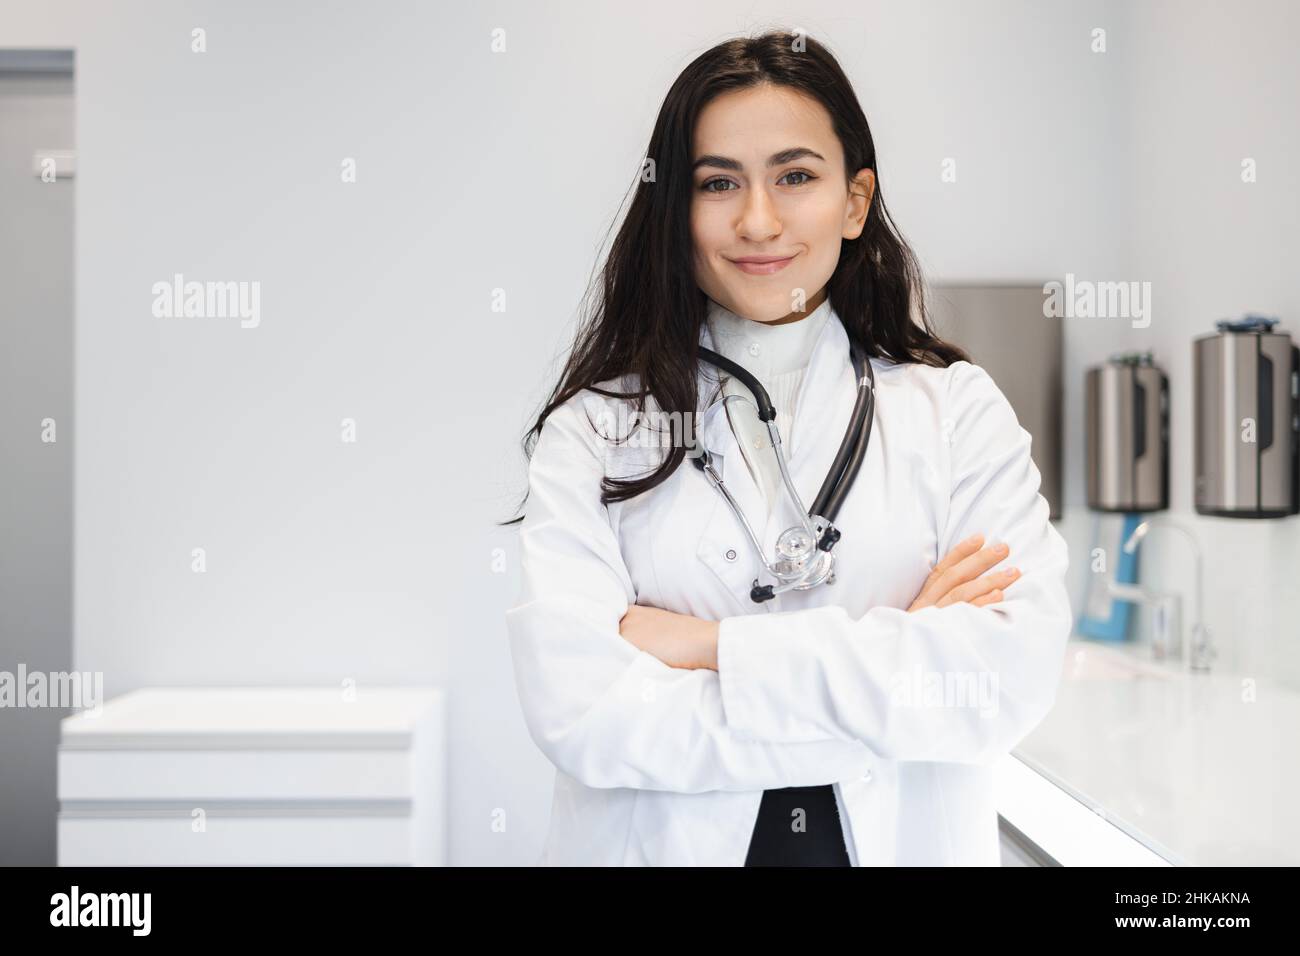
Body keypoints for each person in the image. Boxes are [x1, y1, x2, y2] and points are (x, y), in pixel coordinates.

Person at [502, 29, 1072, 866]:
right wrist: (894, 671)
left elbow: (1001, 684)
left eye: (796, 176)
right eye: (718, 182)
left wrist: (711, 648)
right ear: (676, 208)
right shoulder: (593, 432)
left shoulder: (955, 412)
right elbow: (585, 715)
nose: (757, 220)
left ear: (854, 200)